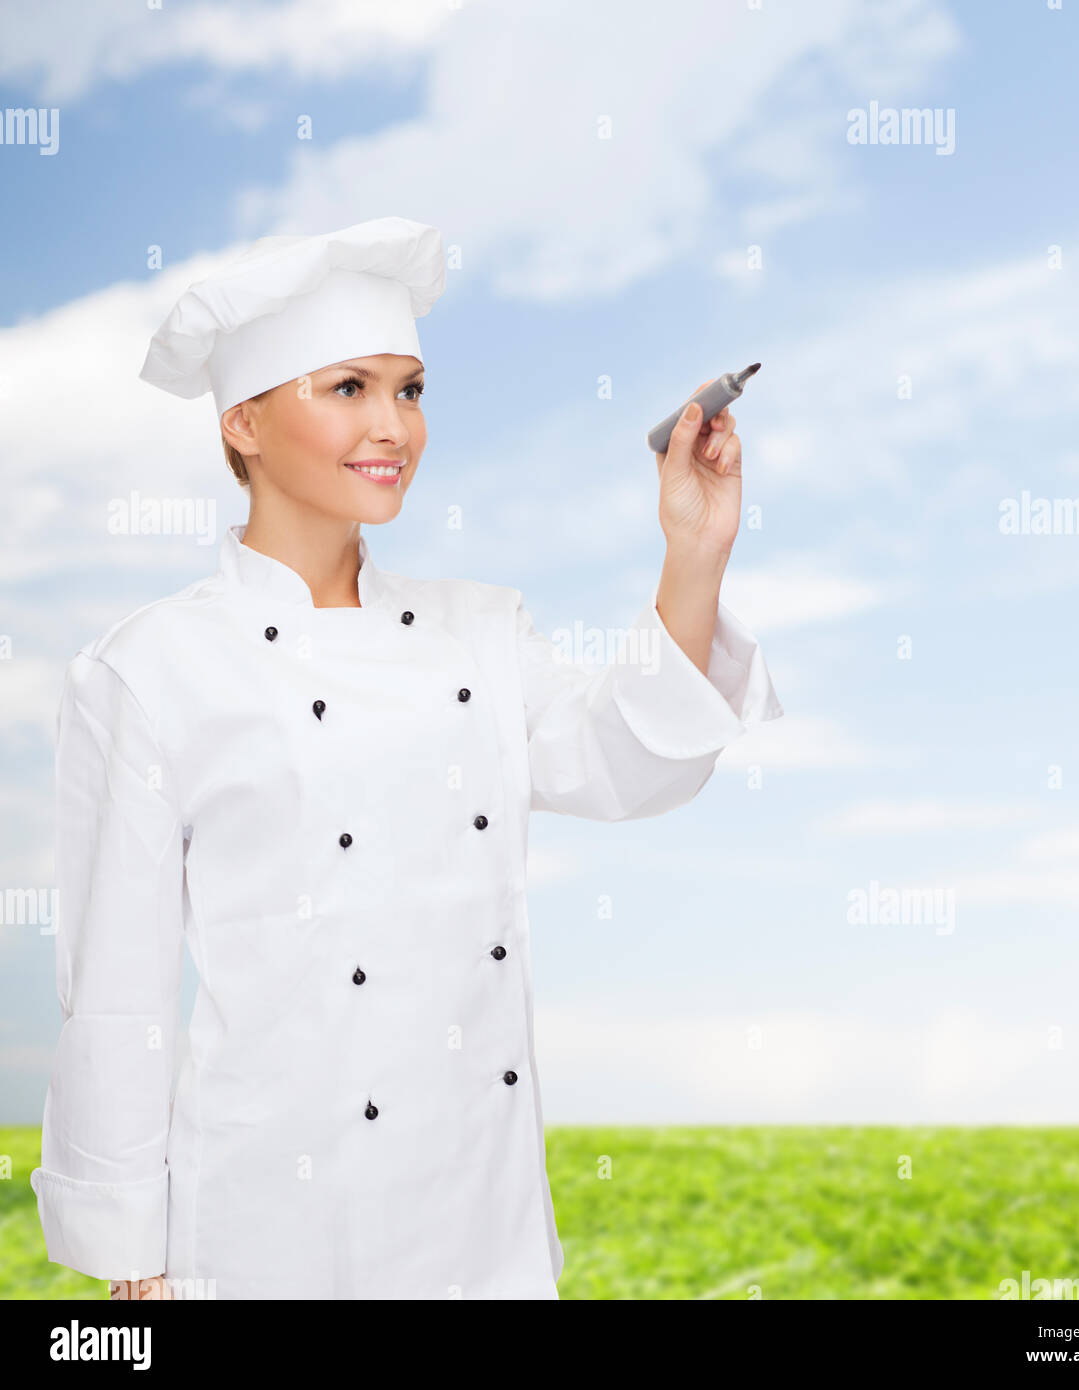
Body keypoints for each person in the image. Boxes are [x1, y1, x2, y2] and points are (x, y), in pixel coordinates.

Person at [29, 216, 784, 1300]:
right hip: (258, 1229)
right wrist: (131, 1255)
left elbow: (629, 764)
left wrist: (693, 550)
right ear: (242, 421)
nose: (394, 425)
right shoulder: (148, 670)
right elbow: (117, 993)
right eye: (347, 388)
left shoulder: (477, 629)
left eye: (410, 389)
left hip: (482, 1228)